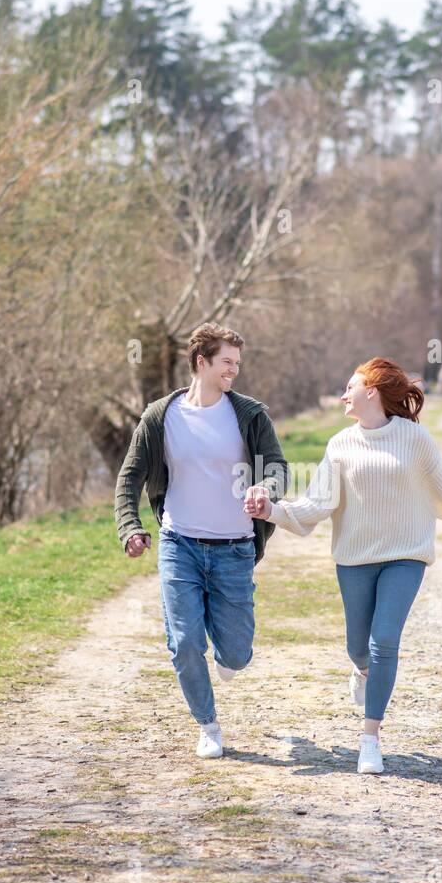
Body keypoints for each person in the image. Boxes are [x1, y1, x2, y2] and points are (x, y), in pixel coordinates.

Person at [244, 358, 442, 774]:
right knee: (359, 647)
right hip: (355, 558)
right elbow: (317, 504)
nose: (343, 395)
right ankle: (361, 671)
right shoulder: (340, 444)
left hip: (405, 556)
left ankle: (370, 739)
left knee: (384, 642)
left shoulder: (414, 439)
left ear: (371, 391)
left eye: (350, 387)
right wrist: (272, 510)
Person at [115, 322, 287, 758]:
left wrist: (265, 488)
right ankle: (208, 726)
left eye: (237, 363)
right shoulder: (160, 416)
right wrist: (131, 527)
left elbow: (278, 468)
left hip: (234, 548)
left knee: (237, 653)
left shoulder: (249, 415)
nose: (234, 371)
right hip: (179, 544)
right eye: (227, 362)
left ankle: (228, 657)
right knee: (185, 640)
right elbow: (130, 476)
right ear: (201, 362)